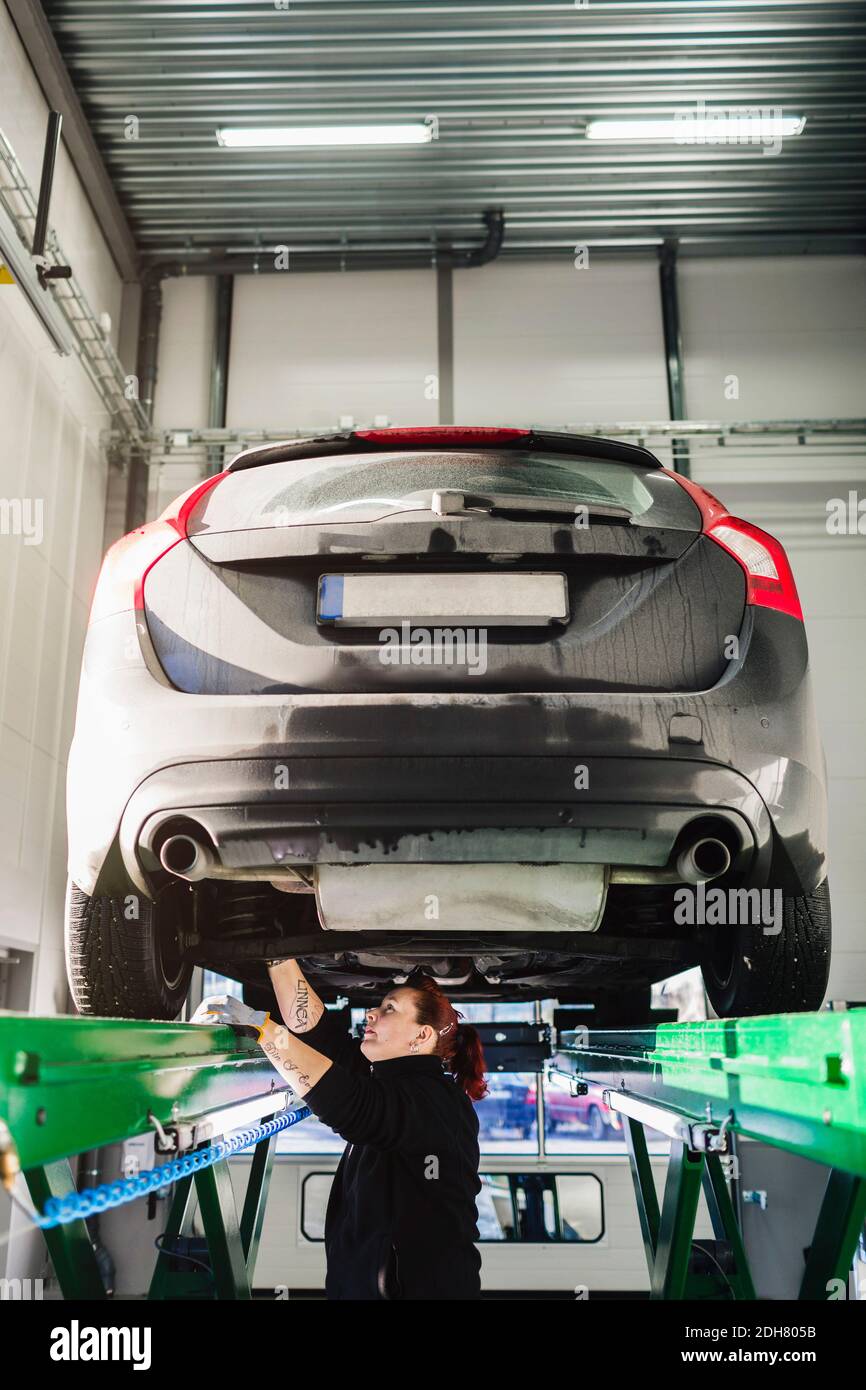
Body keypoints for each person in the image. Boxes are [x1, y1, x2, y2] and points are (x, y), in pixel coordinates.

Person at [193, 960, 488, 1300]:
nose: (371, 1014)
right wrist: (278, 956)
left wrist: (265, 1030)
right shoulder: (391, 1077)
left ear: (422, 1035)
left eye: (389, 1009)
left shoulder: (437, 1102)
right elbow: (320, 1037)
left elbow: (349, 1106)